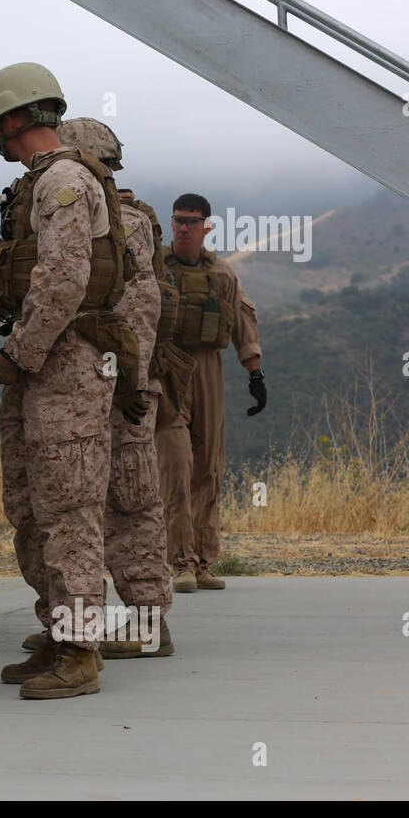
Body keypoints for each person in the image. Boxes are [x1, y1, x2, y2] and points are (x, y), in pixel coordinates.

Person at [0, 64, 136, 698]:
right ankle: (59, 634)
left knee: (68, 511)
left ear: (12, 119)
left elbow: (63, 282)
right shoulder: (38, 184)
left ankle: (80, 652)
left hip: (65, 368)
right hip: (44, 371)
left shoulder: (62, 182)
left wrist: (23, 353)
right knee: (31, 511)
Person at [56, 117, 174, 658]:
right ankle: (96, 623)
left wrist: (126, 382)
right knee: (104, 504)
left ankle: (148, 622)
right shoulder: (112, 212)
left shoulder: (117, 220)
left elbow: (139, 311)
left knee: (128, 503)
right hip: (113, 383)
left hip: (115, 389)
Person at [156, 193, 265, 592]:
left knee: (208, 468)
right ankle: (181, 561)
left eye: (191, 221)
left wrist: (255, 375)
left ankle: (203, 562)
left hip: (208, 369)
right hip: (167, 368)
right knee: (176, 466)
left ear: (206, 227)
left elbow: (242, 321)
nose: (183, 228)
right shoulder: (155, 271)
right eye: (178, 220)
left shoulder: (222, 274)